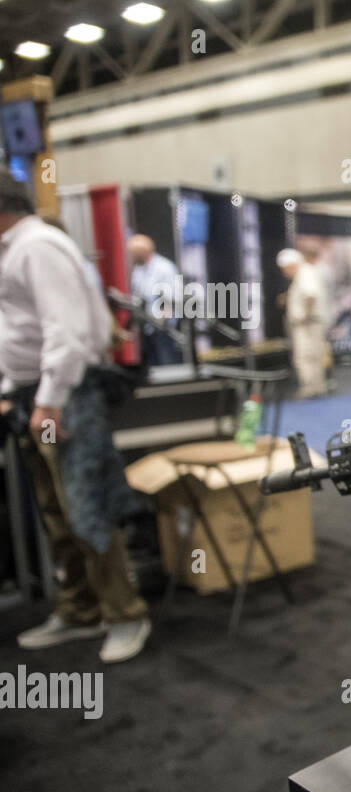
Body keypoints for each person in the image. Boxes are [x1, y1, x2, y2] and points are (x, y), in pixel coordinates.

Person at [0, 170, 152, 663]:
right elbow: (18, 332)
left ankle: (125, 613)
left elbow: (65, 333)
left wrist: (48, 401)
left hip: (62, 399)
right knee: (56, 512)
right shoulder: (15, 249)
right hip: (36, 397)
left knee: (84, 507)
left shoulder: (37, 247)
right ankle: (81, 610)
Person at [278, 248, 329, 399]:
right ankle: (317, 387)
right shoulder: (305, 273)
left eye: (284, 269)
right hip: (311, 322)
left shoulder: (305, 272)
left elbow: (310, 295)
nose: (284, 273)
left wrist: (306, 315)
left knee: (304, 356)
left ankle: (310, 388)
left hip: (307, 324)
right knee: (314, 355)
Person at [128, 233, 183, 367]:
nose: (131, 256)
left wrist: (164, 318)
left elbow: (174, 295)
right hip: (146, 328)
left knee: (168, 366)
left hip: (163, 329)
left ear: (142, 252)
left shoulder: (164, 268)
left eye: (133, 253)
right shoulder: (137, 270)